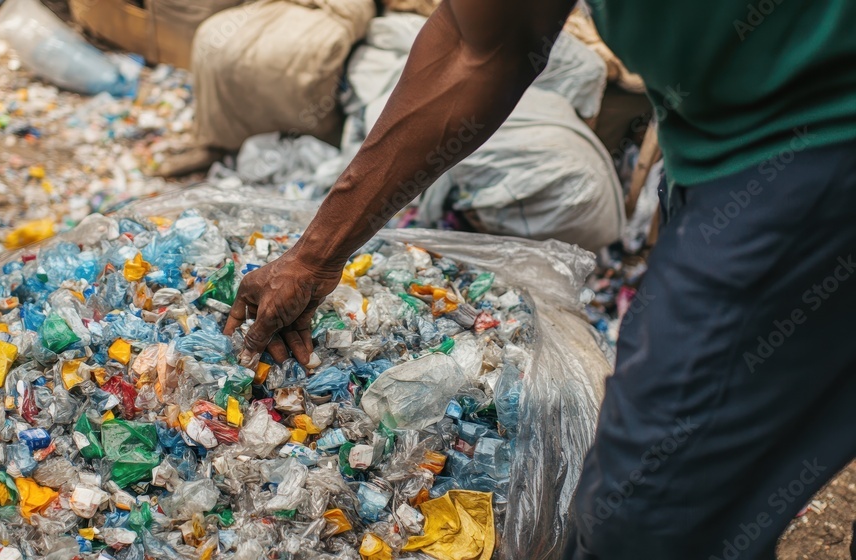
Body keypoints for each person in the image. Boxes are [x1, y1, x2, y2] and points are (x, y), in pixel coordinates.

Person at [222, 0, 856, 557]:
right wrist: (311, 258)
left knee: (647, 517)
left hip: (819, 147)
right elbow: (484, 42)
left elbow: (482, 53)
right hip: (730, 146)